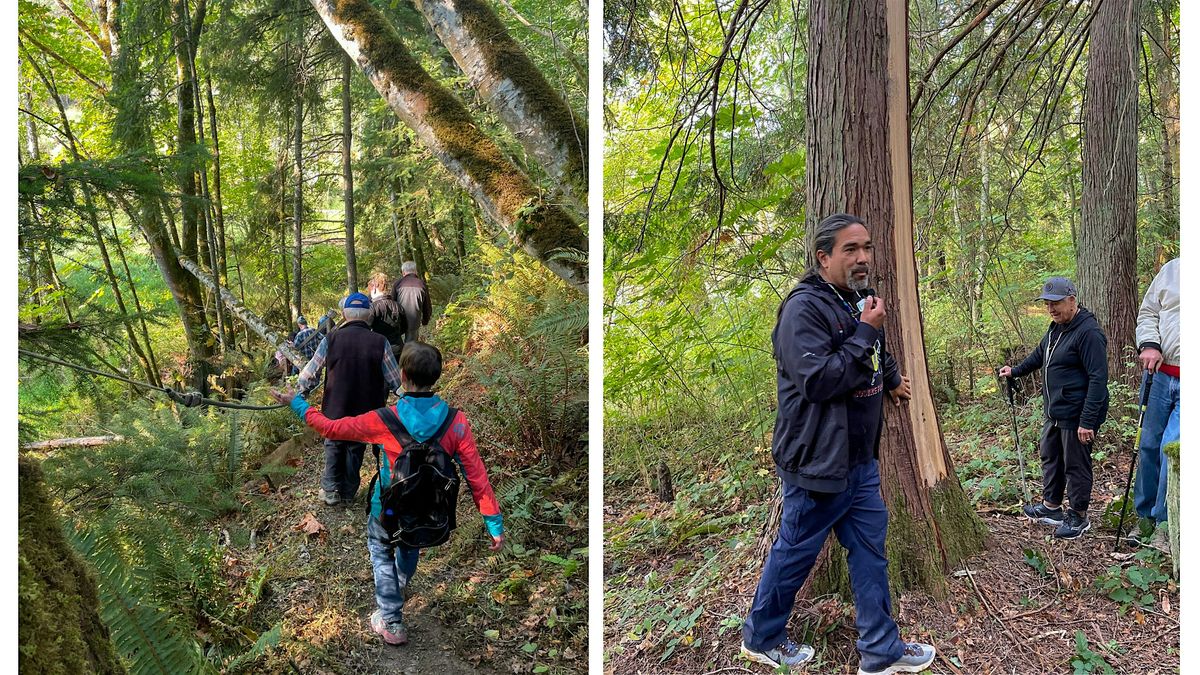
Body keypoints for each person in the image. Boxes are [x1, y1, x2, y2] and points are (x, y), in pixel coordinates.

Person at [741, 213, 934, 675]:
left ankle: (881, 650)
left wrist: (889, 379)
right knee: (795, 552)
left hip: (859, 463)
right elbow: (817, 381)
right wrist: (866, 330)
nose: (863, 257)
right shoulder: (802, 310)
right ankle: (761, 636)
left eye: (866, 247)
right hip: (816, 463)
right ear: (823, 257)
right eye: (850, 249)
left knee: (870, 550)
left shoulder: (859, 299)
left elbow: (875, 348)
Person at [272, 342, 504, 646]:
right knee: (409, 546)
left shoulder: (384, 419)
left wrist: (297, 403)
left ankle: (391, 620)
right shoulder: (455, 422)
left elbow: (330, 428)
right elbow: (476, 476)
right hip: (429, 510)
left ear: (403, 375)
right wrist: (494, 524)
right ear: (438, 376)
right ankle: (401, 581)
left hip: (388, 508)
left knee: (381, 551)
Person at [999, 276, 1108, 540]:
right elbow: (1040, 355)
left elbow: (1098, 379)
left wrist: (1087, 421)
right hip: (1055, 411)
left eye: (1056, 303)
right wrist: (1016, 371)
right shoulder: (1055, 328)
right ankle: (1052, 507)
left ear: (1072, 300)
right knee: (1051, 457)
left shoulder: (1088, 332)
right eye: (1047, 303)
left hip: (1076, 414)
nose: (1051, 309)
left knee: (1076, 465)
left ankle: (1079, 516)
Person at [297, 292, 403, 506]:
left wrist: (301, 392)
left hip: (335, 408)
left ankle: (330, 490)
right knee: (355, 449)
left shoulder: (332, 338)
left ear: (345, 314)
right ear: (368, 316)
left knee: (333, 445)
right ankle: (347, 492)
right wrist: (407, 397)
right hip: (367, 412)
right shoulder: (380, 342)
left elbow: (310, 372)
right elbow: (395, 380)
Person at [1130, 258, 1180, 541]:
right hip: (1158, 375)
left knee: (1170, 449)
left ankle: (1164, 524)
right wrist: (1149, 344)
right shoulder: (1172, 269)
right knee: (1148, 445)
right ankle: (1145, 516)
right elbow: (1148, 312)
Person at [367, 271, 407, 358]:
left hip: (379, 349)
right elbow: (404, 327)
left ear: (374, 288)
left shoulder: (372, 308)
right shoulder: (398, 305)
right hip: (397, 348)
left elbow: (366, 329)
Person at [392, 261, 432, 345]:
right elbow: (427, 305)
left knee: (398, 344)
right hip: (414, 320)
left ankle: (400, 357)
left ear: (403, 272)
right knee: (411, 346)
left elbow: (392, 303)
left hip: (399, 320)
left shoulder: (398, 284)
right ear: (415, 271)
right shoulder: (421, 284)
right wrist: (425, 320)